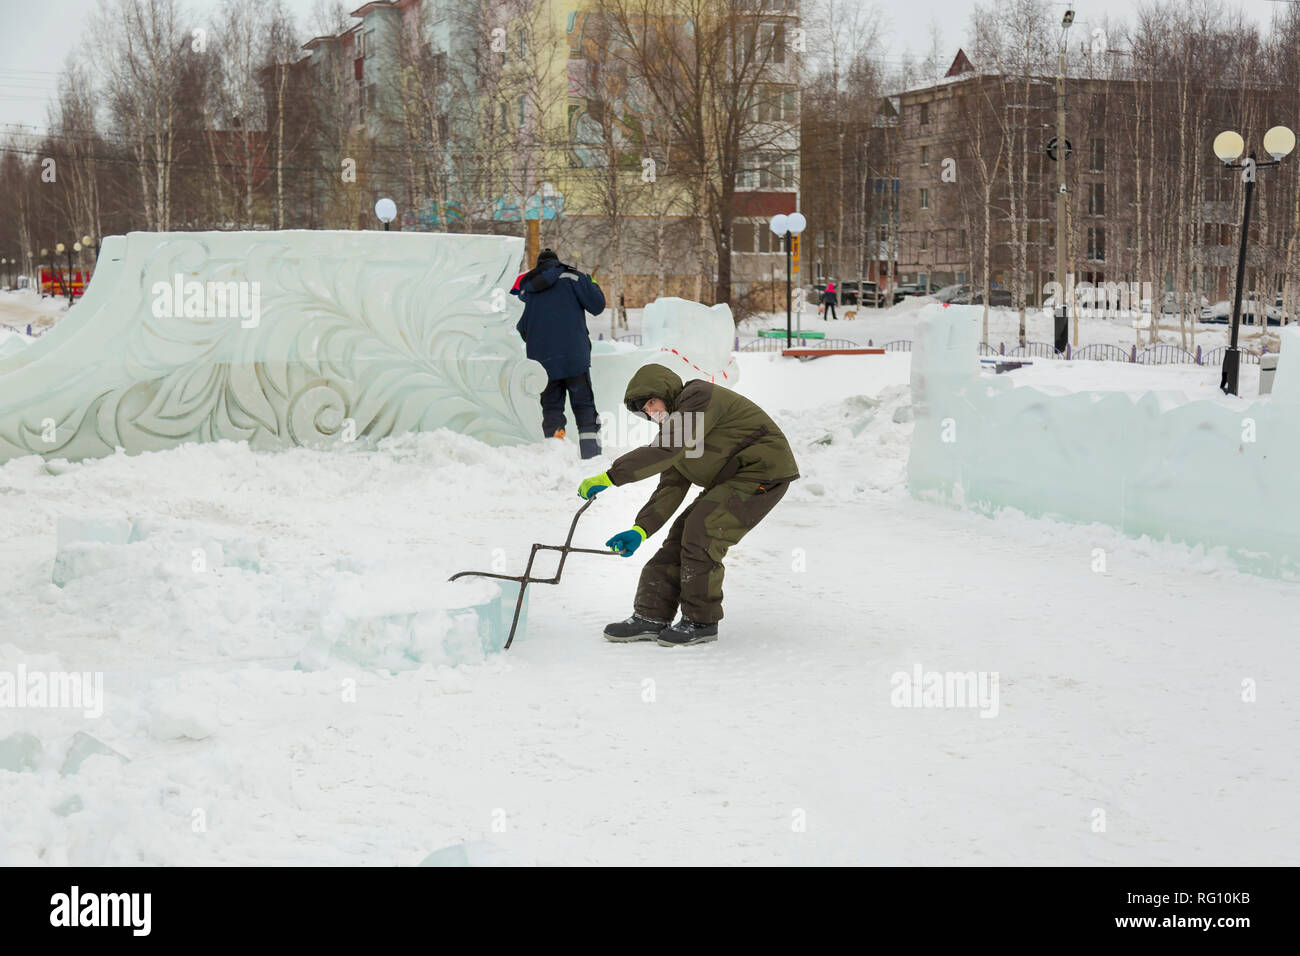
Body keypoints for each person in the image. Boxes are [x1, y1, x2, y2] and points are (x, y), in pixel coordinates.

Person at [575, 363, 799, 646]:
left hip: (763, 472)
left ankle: (701, 621)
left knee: (702, 530)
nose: (651, 411)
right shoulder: (678, 430)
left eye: (652, 402)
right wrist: (641, 529)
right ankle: (651, 616)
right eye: (645, 410)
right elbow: (669, 487)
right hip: (732, 479)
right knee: (680, 536)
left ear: (666, 391)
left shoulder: (698, 396)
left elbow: (667, 450)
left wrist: (610, 476)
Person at [512, 248, 605, 459]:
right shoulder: (573, 276)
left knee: (552, 409)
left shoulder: (527, 289)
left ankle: (557, 457)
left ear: (538, 266)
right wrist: (591, 284)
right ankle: (591, 457)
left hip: (543, 362)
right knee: (584, 408)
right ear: (556, 262)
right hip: (574, 357)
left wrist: (542, 344)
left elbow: (522, 328)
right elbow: (597, 305)